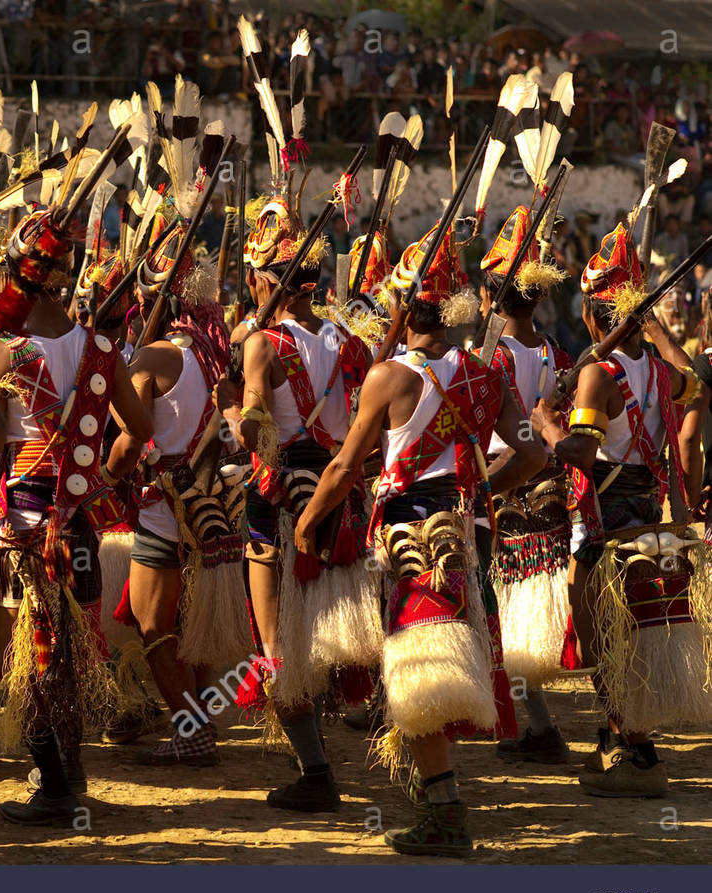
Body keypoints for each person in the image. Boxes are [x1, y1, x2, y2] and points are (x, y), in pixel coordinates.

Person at [293, 219, 545, 856]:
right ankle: (436, 793)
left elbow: (347, 465)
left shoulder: (387, 378)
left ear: (403, 308)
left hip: (408, 536)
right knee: (438, 662)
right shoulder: (485, 373)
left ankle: (446, 812)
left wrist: (306, 521)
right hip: (461, 528)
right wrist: (489, 488)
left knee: (420, 666)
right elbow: (535, 455)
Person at [0, 207, 153, 823]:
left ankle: (51, 783)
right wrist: (99, 477)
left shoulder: (4, 353)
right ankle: (69, 769)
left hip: (20, 521)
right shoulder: (103, 350)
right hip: (77, 519)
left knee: (32, 650)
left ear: (19, 275)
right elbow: (139, 431)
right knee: (73, 645)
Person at [531, 223, 711, 798]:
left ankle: (639, 755)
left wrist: (545, 426)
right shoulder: (659, 371)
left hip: (604, 525)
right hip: (647, 515)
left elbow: (581, 451)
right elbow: (697, 386)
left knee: (602, 638)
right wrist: (658, 333)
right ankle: (616, 743)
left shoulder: (595, 375)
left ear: (591, 315)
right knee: (628, 631)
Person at [226, 195, 379, 811]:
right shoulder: (353, 341)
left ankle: (316, 773)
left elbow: (255, 434)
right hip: (340, 497)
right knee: (331, 628)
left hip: (281, 500)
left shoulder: (262, 345)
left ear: (268, 281)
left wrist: (230, 407)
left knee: (277, 641)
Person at [104, 208, 247, 769]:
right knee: (197, 621)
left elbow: (127, 442)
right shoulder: (212, 353)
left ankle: (191, 732)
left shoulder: (151, 357)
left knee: (153, 624)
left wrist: (103, 478)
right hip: (214, 506)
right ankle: (201, 721)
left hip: (166, 509)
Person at [478, 206, 576, 763]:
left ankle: (534, 728)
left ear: (491, 297)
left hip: (501, 487)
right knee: (516, 612)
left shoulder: (486, 356)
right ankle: (533, 725)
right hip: (545, 491)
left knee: (503, 612)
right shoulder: (553, 354)